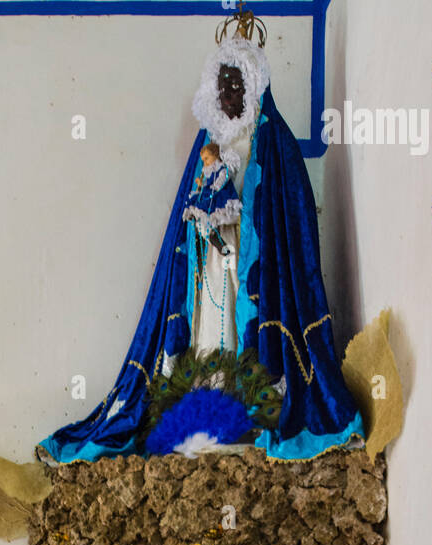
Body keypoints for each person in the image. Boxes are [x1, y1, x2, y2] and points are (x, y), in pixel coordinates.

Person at [39, 30, 364, 464]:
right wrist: (204, 220)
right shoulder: (207, 147)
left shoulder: (274, 144)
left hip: (251, 270)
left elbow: (289, 223)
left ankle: (250, 414)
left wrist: (241, 219)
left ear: (253, 87)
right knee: (210, 332)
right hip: (208, 265)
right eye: (223, 85)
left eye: (236, 85)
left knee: (239, 329)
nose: (229, 94)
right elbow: (187, 216)